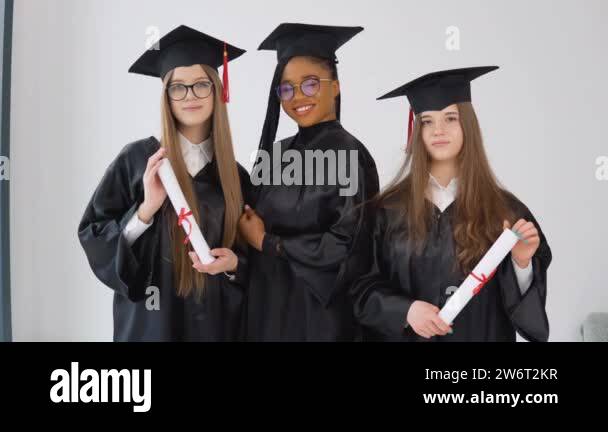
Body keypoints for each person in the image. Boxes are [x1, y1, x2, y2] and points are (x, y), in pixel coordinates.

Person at [352, 66, 551, 342]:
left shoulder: (504, 210)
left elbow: (529, 320)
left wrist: (521, 262)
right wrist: (405, 311)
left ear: (467, 125)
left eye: (450, 118)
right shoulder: (387, 210)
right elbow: (360, 287)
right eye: (428, 121)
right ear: (417, 131)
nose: (439, 130)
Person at [78, 25, 250, 341]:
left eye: (200, 85)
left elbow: (253, 260)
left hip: (213, 328)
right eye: (177, 87)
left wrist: (234, 263)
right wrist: (145, 211)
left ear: (216, 90)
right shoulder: (137, 162)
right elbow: (94, 235)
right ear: (166, 97)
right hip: (150, 328)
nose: (189, 96)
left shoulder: (235, 177)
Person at [239, 23, 379, 341]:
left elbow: (347, 247)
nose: (297, 97)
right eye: (286, 88)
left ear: (336, 86)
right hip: (267, 313)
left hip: (321, 319)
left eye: (311, 84)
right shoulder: (274, 155)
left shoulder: (349, 154)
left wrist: (269, 243)